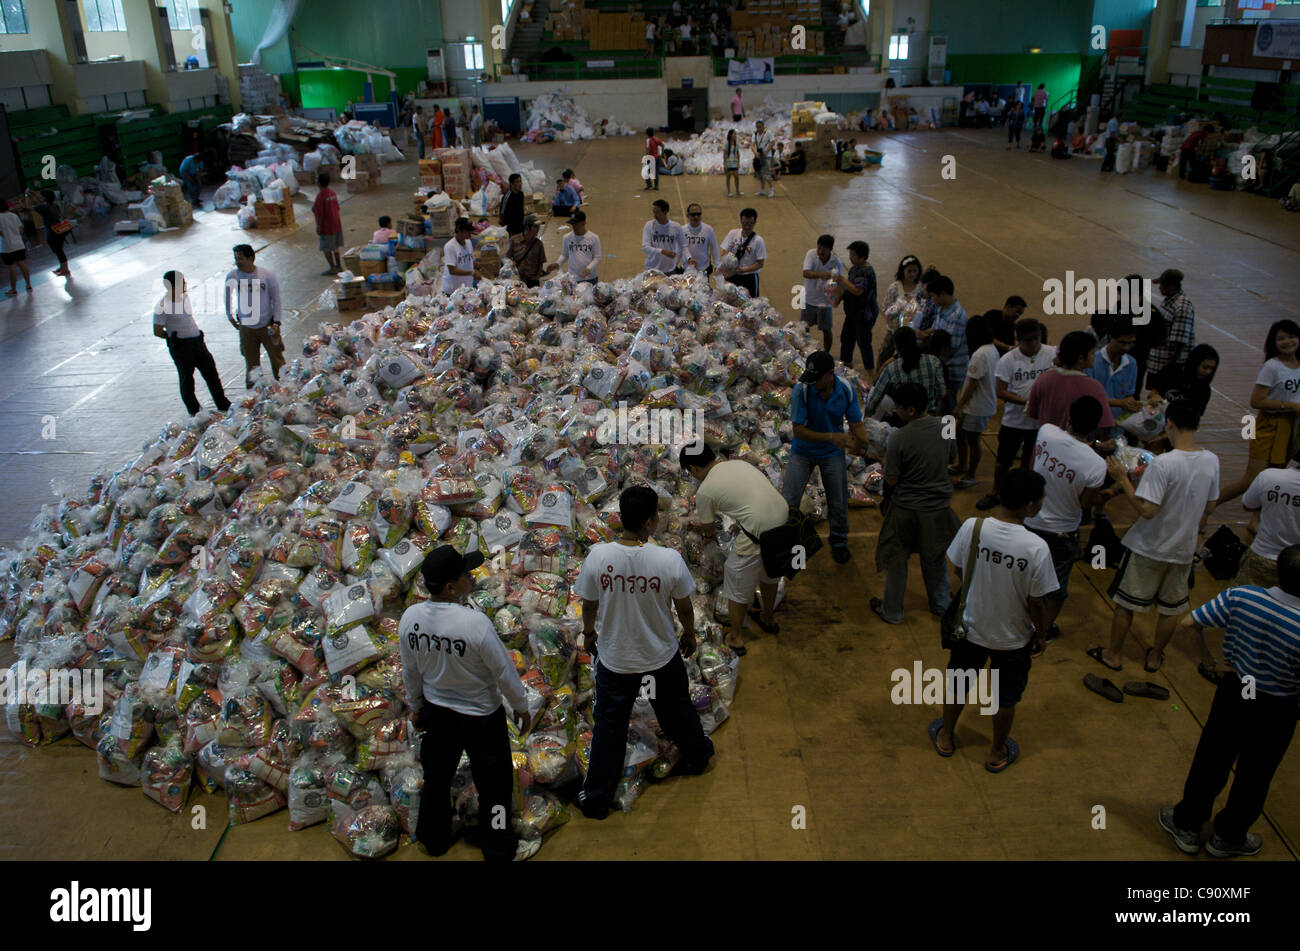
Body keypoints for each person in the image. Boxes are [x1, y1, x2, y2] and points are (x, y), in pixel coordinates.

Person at [573, 486, 715, 820]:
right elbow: (683, 605)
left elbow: (589, 604)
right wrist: (690, 634)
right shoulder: (667, 559)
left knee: (610, 727)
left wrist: (590, 633)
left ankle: (596, 799)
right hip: (660, 657)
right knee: (676, 712)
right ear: (651, 522)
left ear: (621, 518)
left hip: (615, 660)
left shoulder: (598, 557)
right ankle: (697, 755)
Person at [398, 545, 540, 862]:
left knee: (436, 778)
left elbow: (411, 672)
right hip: (481, 717)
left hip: (438, 713)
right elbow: (504, 672)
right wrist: (520, 706)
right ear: (450, 587)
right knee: (495, 787)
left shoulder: (411, 618)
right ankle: (499, 846)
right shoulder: (474, 624)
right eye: (465, 574)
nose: (470, 577)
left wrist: (416, 707)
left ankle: (433, 839)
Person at [1158, 544, 1300, 858]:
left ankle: (1187, 825)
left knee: (1211, 760)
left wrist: (1210, 662)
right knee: (1256, 775)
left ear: (1278, 569)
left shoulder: (1242, 596)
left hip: (1235, 694)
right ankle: (1229, 837)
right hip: (1278, 709)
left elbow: (1189, 623)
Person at [930, 469, 1057, 771]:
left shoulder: (973, 528)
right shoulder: (1036, 548)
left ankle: (947, 736)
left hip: (970, 630)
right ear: (1030, 506)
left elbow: (960, 571)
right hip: (1013, 640)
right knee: (1005, 697)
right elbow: (1036, 601)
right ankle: (996, 752)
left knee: (958, 683)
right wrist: (1041, 634)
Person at [1093, 399, 1219, 673]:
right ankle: (1154, 657)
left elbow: (1146, 510)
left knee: (1126, 604)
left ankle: (1113, 655)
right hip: (1183, 550)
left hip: (1148, 547)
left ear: (1169, 423)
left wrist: (1122, 479)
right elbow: (1210, 504)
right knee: (1170, 608)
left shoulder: (1163, 464)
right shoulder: (1212, 460)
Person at [680, 443, 787, 653]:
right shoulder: (738, 464)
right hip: (783, 519)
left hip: (759, 529)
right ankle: (768, 618)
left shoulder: (705, 491)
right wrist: (742, 522)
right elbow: (752, 496)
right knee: (769, 572)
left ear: (693, 469)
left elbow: (709, 529)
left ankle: (736, 637)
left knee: (735, 576)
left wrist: (706, 538)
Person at [872, 382, 960, 624]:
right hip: (938, 508)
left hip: (906, 509)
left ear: (910, 410)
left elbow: (891, 479)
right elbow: (952, 458)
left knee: (897, 560)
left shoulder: (899, 437)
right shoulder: (947, 424)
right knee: (935, 558)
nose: (895, 412)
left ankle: (892, 611)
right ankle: (941, 604)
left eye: (898, 408)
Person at [1023, 396, 1108, 641]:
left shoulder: (1046, 432)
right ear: (1094, 428)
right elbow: (1086, 502)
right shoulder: (1096, 465)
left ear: (1069, 418)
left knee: (1027, 576)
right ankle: (1044, 630)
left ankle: (1019, 619)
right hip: (1062, 531)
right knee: (1056, 587)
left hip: (1031, 522)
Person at [782, 351, 873, 564]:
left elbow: (856, 424)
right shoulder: (801, 390)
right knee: (789, 499)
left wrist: (870, 445)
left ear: (830, 374)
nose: (812, 383)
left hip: (831, 453)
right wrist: (832, 437)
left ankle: (839, 541)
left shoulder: (847, 391)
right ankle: (785, 541)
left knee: (838, 499)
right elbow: (799, 431)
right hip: (803, 451)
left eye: (817, 378)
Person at [979, 319, 1057, 511]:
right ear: (1018, 340)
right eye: (1028, 340)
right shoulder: (1007, 360)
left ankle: (1025, 497)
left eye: (1037, 339)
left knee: (1030, 463)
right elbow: (1001, 391)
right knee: (1002, 462)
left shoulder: (1053, 354)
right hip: (1014, 421)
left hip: (1039, 424)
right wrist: (1029, 403)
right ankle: (996, 492)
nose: (1034, 344)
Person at [1218, 320, 1300, 504]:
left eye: (1292, 336)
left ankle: (1258, 522)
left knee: (1275, 479)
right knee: (1251, 480)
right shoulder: (1272, 367)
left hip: (1290, 427)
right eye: (1281, 338)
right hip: (1269, 425)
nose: (1288, 341)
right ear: (1274, 342)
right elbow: (1256, 401)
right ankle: (1208, 508)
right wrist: (1289, 406)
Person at [153, 270, 231, 416]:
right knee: (187, 379)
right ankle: (194, 411)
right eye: (181, 282)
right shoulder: (162, 305)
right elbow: (157, 331)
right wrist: (173, 338)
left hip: (197, 341)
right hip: (181, 346)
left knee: (211, 373)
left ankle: (222, 403)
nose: (184, 284)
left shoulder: (185, 297)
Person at [1025, 330, 1116, 440]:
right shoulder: (1093, 387)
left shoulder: (1043, 379)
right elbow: (1106, 425)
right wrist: (1095, 444)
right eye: (1092, 353)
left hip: (1045, 447)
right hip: (1075, 450)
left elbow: (1033, 413)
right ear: (1081, 358)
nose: (1094, 356)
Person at [224, 244, 284, 388]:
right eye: (236, 259)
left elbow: (276, 300)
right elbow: (227, 297)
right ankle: (254, 393)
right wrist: (230, 317)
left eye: (241, 258)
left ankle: (285, 385)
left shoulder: (267, 275)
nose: (237, 262)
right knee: (251, 364)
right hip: (247, 328)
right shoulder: (232, 276)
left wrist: (276, 322)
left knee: (277, 360)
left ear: (251, 258)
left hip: (267, 325)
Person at [952, 315, 998, 490]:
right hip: (979, 405)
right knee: (960, 435)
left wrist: (959, 406)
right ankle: (961, 465)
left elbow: (972, 384)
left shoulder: (980, 354)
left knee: (973, 440)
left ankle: (971, 474)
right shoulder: (991, 349)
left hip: (977, 407)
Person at [1238, 463, 1300, 589]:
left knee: (1248, 602)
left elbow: (1248, 505)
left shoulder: (1269, 476)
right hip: (1297, 567)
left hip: (1262, 556)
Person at [864, 326, 947, 418]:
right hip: (928, 415)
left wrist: (866, 417)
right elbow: (942, 392)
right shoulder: (934, 361)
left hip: (903, 420)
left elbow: (875, 399)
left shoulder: (892, 369)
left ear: (896, 346)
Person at [919, 274, 968, 413]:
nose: (932, 300)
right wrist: (920, 333)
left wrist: (927, 342)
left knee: (947, 406)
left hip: (953, 369)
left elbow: (952, 347)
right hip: (942, 366)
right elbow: (934, 329)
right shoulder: (941, 308)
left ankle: (948, 434)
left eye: (933, 296)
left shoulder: (957, 316)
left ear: (943, 294)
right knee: (941, 404)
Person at [833, 240, 878, 378]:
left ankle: (870, 371)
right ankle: (846, 364)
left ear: (862, 257)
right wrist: (838, 298)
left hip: (863, 314)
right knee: (847, 338)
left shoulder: (865, 272)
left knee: (863, 342)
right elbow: (848, 288)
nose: (850, 258)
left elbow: (857, 290)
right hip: (852, 313)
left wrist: (841, 278)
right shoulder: (854, 269)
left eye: (853, 255)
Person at [1145, 344, 1219, 421]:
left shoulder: (1204, 390)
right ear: (1194, 363)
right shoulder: (1171, 370)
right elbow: (1152, 394)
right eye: (1205, 367)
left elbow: (1194, 418)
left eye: (1212, 369)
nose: (1208, 372)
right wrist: (1155, 399)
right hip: (1155, 418)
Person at [1146, 269, 1196, 383]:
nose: (1159, 288)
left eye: (1162, 285)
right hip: (1158, 362)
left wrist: (1169, 366)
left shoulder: (1182, 307)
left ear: (1172, 286)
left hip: (1168, 366)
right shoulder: (1169, 300)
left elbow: (1180, 341)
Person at [1086, 316, 1142, 415]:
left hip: (1118, 425)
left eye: (1130, 343)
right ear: (1110, 337)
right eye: (1122, 343)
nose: (1126, 348)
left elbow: (1128, 395)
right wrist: (1120, 403)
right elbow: (1087, 397)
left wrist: (1133, 404)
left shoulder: (1131, 364)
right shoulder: (1092, 361)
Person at [801, 234, 844, 353]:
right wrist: (821, 275)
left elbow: (840, 283)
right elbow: (805, 273)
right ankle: (804, 350)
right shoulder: (811, 254)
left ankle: (826, 353)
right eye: (819, 248)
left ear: (830, 249)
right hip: (808, 299)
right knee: (804, 328)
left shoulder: (836, 263)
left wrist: (836, 300)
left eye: (824, 249)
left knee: (826, 329)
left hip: (825, 302)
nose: (820, 251)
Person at [721, 207, 766, 298]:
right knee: (731, 302)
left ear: (755, 223)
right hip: (733, 276)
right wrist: (729, 264)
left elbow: (760, 264)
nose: (747, 227)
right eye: (745, 223)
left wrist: (742, 270)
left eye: (751, 224)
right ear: (741, 221)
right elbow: (725, 251)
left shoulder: (758, 241)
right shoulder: (733, 234)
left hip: (749, 278)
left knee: (751, 305)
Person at [507, 214, 557, 288]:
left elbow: (541, 262)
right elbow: (506, 257)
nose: (538, 229)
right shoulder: (514, 240)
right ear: (527, 227)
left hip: (532, 281)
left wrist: (537, 277)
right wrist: (511, 262)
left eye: (538, 226)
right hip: (517, 280)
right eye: (535, 226)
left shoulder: (538, 244)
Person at [33, 189, 71, 277]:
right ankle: (63, 267)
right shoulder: (54, 205)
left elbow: (31, 207)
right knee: (59, 250)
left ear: (45, 197)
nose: (39, 197)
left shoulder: (42, 207)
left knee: (58, 251)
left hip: (52, 233)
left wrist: (29, 197)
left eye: (41, 196)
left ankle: (65, 269)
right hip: (60, 230)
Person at [642, 199, 685, 274]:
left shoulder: (676, 227)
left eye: (657, 212)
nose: (654, 215)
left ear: (665, 212)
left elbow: (683, 246)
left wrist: (676, 261)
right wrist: (663, 251)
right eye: (654, 212)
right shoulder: (649, 225)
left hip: (670, 270)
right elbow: (645, 247)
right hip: (652, 269)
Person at [312, 172, 343, 276]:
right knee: (336, 246)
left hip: (327, 226)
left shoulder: (320, 196)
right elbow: (337, 208)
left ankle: (332, 267)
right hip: (336, 224)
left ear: (319, 183)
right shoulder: (332, 193)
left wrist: (319, 227)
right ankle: (339, 266)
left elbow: (320, 214)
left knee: (326, 247)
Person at [557, 210, 601, 283]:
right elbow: (564, 255)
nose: (574, 226)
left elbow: (597, 257)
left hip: (590, 278)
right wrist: (557, 263)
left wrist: (589, 269)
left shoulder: (594, 238)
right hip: (573, 278)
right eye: (572, 224)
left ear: (583, 223)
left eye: (576, 224)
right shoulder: (566, 237)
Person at [0, 198, 32, 296]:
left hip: (6, 246)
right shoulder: (14, 215)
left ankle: (13, 289)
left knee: (11, 267)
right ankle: (28, 284)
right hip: (19, 244)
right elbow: (21, 229)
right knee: (22, 263)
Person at [442, 217, 478, 296]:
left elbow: (471, 261)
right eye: (467, 231)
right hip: (452, 290)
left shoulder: (468, 243)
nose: (470, 233)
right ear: (458, 229)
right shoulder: (450, 246)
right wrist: (471, 273)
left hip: (466, 288)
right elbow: (452, 270)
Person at [681, 203, 719, 275]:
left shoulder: (708, 229)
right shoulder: (682, 230)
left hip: (703, 270)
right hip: (687, 270)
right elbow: (681, 248)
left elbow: (714, 248)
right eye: (693, 214)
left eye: (698, 214)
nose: (696, 217)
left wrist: (717, 265)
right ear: (687, 215)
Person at [752, 119, 776, 198]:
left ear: (763, 126)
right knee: (760, 174)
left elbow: (772, 142)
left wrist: (766, 151)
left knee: (766, 173)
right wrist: (755, 153)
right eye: (757, 127)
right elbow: (752, 145)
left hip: (766, 156)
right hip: (758, 156)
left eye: (760, 127)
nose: (759, 129)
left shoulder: (768, 133)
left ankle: (772, 188)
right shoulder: (755, 135)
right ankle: (762, 189)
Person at [723, 129, 742, 197]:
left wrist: (738, 162)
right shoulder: (726, 144)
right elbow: (724, 154)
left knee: (736, 176)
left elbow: (738, 153)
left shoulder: (736, 143)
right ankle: (729, 191)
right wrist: (725, 163)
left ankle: (737, 190)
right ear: (730, 135)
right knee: (728, 177)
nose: (735, 135)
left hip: (734, 162)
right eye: (734, 134)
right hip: (728, 163)